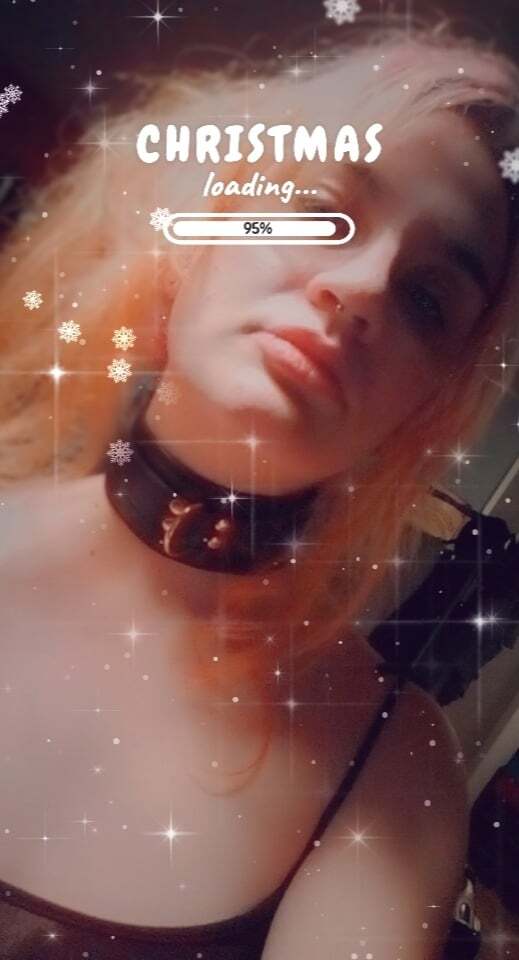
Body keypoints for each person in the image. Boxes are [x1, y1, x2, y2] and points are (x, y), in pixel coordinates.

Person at [0, 16, 518, 960]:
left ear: (424, 406)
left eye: (427, 298)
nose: (361, 285)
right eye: (316, 208)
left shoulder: (392, 771)